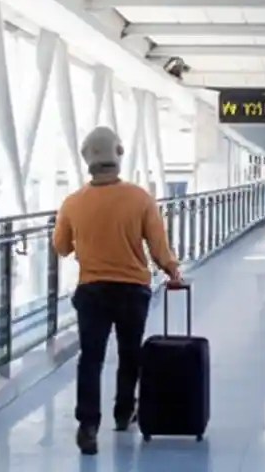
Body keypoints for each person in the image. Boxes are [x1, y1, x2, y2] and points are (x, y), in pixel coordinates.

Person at [53, 126, 182, 455]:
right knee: (130, 354)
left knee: (91, 358)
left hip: (92, 291)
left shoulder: (73, 202)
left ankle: (88, 425)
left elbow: (62, 247)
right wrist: (172, 271)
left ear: (88, 160)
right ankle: (124, 413)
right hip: (132, 290)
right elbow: (158, 245)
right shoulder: (140, 198)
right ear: (118, 154)